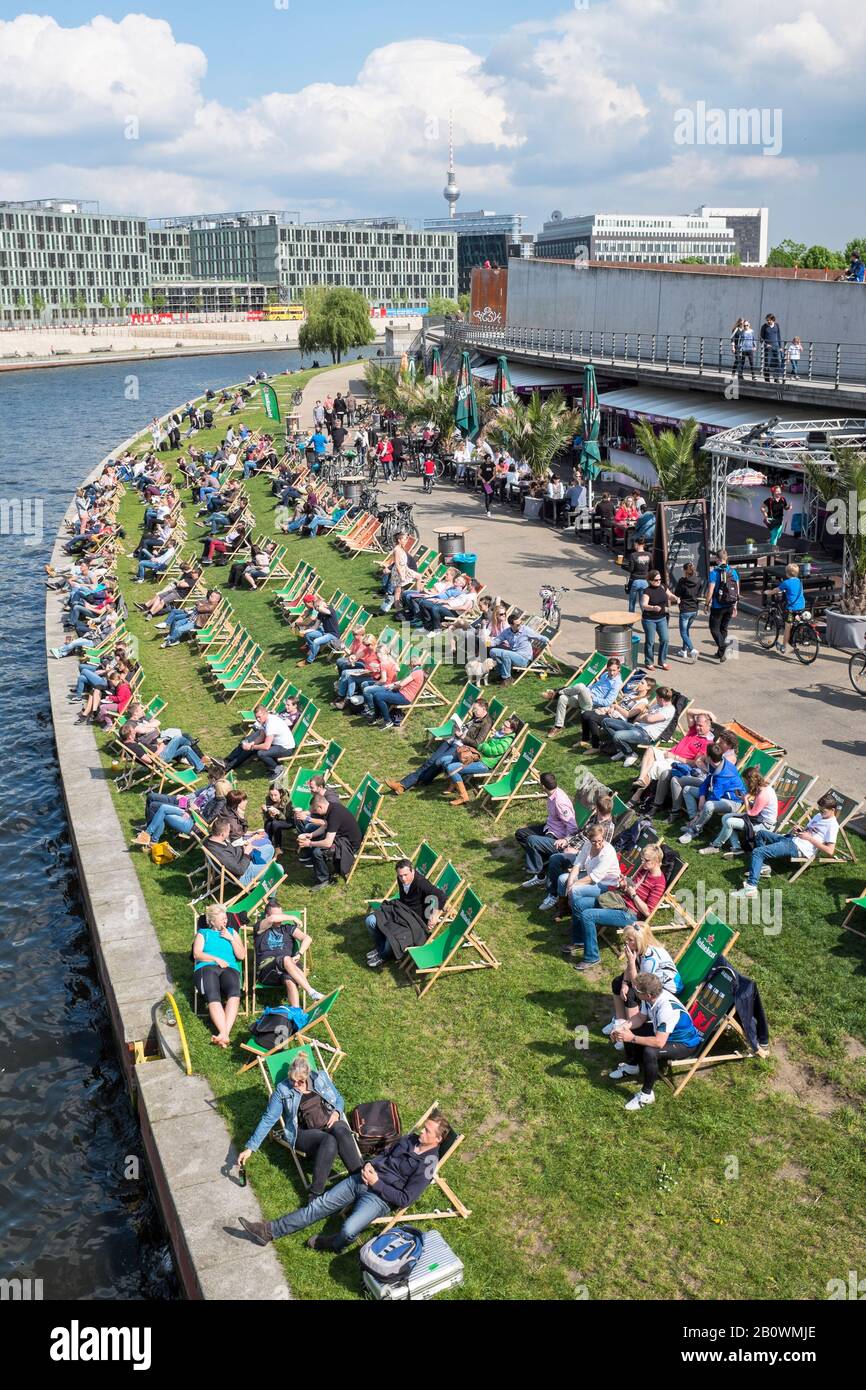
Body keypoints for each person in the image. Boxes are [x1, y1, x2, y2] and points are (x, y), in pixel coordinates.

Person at [237, 1112, 450, 1251]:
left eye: (427, 1131)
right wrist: (370, 1164)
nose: (422, 1131)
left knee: (348, 1231)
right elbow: (385, 1153)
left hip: (380, 1198)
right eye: (424, 1127)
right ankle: (268, 1231)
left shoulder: (428, 1165)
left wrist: (377, 1184)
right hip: (362, 1178)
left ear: (438, 1140)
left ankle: (332, 1244)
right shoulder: (410, 1139)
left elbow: (405, 1199)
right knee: (317, 1206)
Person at [239, 1052, 359, 1198]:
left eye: (300, 1081)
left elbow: (339, 1099)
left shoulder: (320, 1077)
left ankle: (360, 1179)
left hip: (327, 1122)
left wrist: (337, 1113)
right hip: (303, 1133)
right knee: (329, 1140)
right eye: (292, 1080)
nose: (295, 1085)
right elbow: (269, 1118)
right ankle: (315, 1195)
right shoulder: (282, 1090)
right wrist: (250, 1148)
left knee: (341, 1129)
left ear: (308, 1075)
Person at [609, 972, 703, 1110]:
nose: (634, 991)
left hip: (684, 1044)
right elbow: (640, 1018)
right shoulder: (651, 998)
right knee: (629, 1031)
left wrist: (632, 1038)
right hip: (664, 1034)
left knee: (650, 1051)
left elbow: (659, 1042)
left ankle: (646, 1094)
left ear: (647, 995)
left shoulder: (666, 1009)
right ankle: (631, 1066)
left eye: (636, 990)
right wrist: (622, 1027)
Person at [566, 843, 667, 970]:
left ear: (656, 861)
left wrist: (634, 894)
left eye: (646, 860)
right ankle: (580, 940)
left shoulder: (659, 883)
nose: (642, 862)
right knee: (579, 904)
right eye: (642, 859)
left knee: (588, 915)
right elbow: (630, 887)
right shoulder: (644, 870)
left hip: (630, 914)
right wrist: (624, 884)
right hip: (619, 901)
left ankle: (592, 957)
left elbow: (647, 912)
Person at [731, 794, 840, 897]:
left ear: (833, 810)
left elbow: (830, 851)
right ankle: (763, 868)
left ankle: (750, 889)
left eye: (823, 811)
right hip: (793, 839)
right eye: (819, 810)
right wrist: (800, 830)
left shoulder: (833, 826)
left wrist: (809, 838)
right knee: (761, 834)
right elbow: (809, 831)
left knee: (757, 852)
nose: (820, 813)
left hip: (798, 848)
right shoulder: (818, 816)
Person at [385, 698, 492, 795]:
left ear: (483, 709)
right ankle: (405, 784)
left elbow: (478, 742)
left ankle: (406, 784)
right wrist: (456, 728)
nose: (473, 711)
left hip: (461, 747)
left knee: (437, 762)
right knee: (430, 761)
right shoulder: (476, 717)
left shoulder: (486, 723)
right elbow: (464, 728)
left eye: (476, 709)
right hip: (452, 740)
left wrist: (463, 737)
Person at [603, 925, 682, 1047]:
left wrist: (630, 962)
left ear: (639, 941)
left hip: (666, 990)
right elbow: (632, 970)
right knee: (617, 982)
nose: (626, 942)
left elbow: (639, 985)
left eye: (630, 940)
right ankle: (620, 1021)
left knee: (631, 994)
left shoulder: (651, 958)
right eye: (626, 939)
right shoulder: (640, 949)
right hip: (649, 982)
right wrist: (624, 983)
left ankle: (629, 1032)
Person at [538, 792, 616, 911]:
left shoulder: (608, 829)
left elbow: (599, 853)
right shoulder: (595, 818)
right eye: (600, 813)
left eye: (603, 814)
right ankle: (553, 895)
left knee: (564, 875)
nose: (601, 817)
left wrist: (576, 852)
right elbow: (580, 833)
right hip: (579, 851)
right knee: (555, 858)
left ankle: (565, 903)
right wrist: (566, 839)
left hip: (590, 865)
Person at [364, 858, 446, 968]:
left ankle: (383, 955)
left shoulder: (421, 883)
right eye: (400, 876)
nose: (403, 878)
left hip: (414, 920)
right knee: (370, 921)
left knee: (392, 938)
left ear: (412, 871)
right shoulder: (401, 878)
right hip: (399, 910)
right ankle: (380, 948)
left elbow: (441, 896)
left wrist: (435, 915)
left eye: (406, 875)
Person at [560, 825, 622, 968]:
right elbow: (578, 864)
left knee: (576, 892)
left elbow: (594, 878)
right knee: (564, 881)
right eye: (594, 841)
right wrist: (571, 881)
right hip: (593, 882)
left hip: (607, 886)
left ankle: (578, 932)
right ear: (589, 839)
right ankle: (579, 935)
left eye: (600, 840)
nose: (598, 844)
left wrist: (574, 886)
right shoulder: (588, 844)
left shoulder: (608, 852)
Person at [628, 710, 714, 811]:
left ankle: (636, 797)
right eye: (697, 724)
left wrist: (675, 757)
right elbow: (689, 712)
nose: (697, 727)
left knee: (653, 766)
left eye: (700, 726)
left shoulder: (707, 743)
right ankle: (641, 779)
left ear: (708, 726)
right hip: (668, 755)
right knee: (650, 750)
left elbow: (695, 763)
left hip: (677, 762)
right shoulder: (693, 731)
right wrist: (709, 712)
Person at [192, 905, 245, 1047]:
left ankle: (223, 1034)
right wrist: (216, 959)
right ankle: (225, 1034)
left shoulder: (232, 933)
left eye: (226, 918)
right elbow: (197, 954)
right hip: (206, 967)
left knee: (235, 994)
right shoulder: (203, 933)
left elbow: (241, 955)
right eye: (222, 919)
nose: (225, 921)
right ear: (212, 921)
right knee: (213, 995)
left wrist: (231, 939)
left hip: (229, 968)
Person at [442, 715, 524, 805]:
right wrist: (483, 746)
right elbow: (486, 746)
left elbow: (491, 751)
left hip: (485, 763)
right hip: (479, 756)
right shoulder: (500, 734)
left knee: (452, 768)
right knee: (445, 760)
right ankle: (453, 784)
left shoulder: (506, 741)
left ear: (512, 730)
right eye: (503, 724)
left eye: (505, 726)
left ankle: (463, 797)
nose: (502, 727)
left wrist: (481, 745)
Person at [253, 901, 323, 1004]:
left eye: (281, 914)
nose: (280, 918)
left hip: (288, 967)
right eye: (277, 915)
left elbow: (307, 938)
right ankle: (311, 992)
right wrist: (293, 917)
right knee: (285, 958)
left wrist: (299, 954)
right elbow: (272, 919)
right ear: (267, 916)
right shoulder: (260, 928)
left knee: (290, 980)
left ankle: (295, 1014)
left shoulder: (287, 928)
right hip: (267, 971)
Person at [698, 766, 778, 855]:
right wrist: (744, 798)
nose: (745, 784)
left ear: (750, 781)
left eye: (745, 782)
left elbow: (752, 813)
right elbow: (758, 808)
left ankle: (715, 846)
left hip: (764, 825)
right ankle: (737, 847)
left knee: (729, 822)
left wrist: (746, 799)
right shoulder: (764, 787)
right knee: (726, 817)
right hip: (758, 818)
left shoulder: (763, 794)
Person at [677, 743, 747, 844]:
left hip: (733, 801)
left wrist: (700, 811)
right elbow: (707, 781)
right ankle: (693, 822)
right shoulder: (716, 763)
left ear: (709, 757)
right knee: (688, 790)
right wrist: (701, 796)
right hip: (717, 794)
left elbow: (714, 798)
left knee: (709, 805)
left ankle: (694, 830)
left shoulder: (724, 774)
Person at [516, 773, 578, 886]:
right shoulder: (552, 794)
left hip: (557, 835)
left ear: (543, 786)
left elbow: (572, 826)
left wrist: (566, 840)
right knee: (521, 834)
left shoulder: (560, 802)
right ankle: (540, 862)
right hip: (549, 827)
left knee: (532, 840)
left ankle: (539, 874)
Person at [544, 657, 623, 739]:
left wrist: (593, 697)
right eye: (610, 670)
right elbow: (594, 686)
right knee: (563, 698)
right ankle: (558, 726)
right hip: (584, 698)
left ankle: (557, 692)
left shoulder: (616, 684)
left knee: (581, 686)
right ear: (607, 668)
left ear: (619, 669)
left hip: (592, 704)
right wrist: (587, 690)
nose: (612, 673)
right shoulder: (605, 675)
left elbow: (607, 702)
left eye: (614, 670)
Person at [297, 792, 363, 888]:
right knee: (317, 841)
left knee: (317, 852)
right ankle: (321, 871)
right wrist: (311, 835)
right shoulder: (332, 807)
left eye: (315, 810)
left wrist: (309, 843)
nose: (314, 813)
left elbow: (327, 843)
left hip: (349, 845)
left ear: (320, 806)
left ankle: (324, 880)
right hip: (341, 838)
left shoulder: (334, 815)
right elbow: (325, 826)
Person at [217, 705, 296, 780]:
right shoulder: (264, 720)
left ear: (265, 713)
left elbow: (266, 746)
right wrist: (252, 744)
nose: (257, 719)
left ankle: (277, 769)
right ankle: (226, 765)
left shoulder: (271, 724)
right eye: (256, 717)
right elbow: (261, 736)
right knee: (251, 746)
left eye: (259, 717)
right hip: (277, 744)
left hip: (286, 748)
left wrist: (251, 747)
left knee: (261, 753)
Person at [601, 686, 676, 765]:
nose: (656, 698)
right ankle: (623, 749)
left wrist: (646, 716)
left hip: (645, 734)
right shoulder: (657, 706)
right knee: (606, 722)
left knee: (617, 736)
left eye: (657, 697)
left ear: (661, 699)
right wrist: (646, 716)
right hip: (636, 727)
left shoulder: (669, 710)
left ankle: (630, 754)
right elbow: (641, 718)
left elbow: (649, 719)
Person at [204, 817, 275, 888]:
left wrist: (242, 848)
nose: (229, 833)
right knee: (275, 869)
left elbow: (232, 851)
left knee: (269, 848)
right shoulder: (220, 853)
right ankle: (270, 896)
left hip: (242, 860)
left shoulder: (212, 840)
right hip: (243, 874)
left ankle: (262, 871)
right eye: (229, 831)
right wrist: (246, 854)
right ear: (222, 834)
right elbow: (240, 870)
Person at [362, 656, 427, 729]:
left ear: (412, 664)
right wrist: (390, 685)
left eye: (409, 665)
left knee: (378, 696)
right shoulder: (417, 671)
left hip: (405, 697)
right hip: (401, 693)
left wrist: (391, 688)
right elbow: (402, 681)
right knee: (376, 695)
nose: (409, 666)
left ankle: (387, 721)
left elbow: (401, 684)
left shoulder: (416, 673)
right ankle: (377, 716)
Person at [489, 614, 547, 683]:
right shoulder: (507, 632)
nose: (520, 626)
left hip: (524, 658)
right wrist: (486, 643)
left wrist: (547, 640)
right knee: (493, 651)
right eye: (517, 625)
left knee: (505, 654)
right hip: (513, 654)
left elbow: (537, 636)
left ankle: (507, 678)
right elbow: (496, 641)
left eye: (520, 623)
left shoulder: (525, 629)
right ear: (511, 625)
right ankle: (501, 673)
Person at [705, 551, 739, 661]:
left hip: (718, 605)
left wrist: (706, 604)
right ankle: (721, 654)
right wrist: (735, 606)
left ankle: (723, 647)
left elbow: (710, 591)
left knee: (714, 629)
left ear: (717, 559)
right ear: (726, 558)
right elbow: (737, 590)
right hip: (730, 604)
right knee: (723, 628)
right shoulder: (733, 571)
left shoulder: (714, 572)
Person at [640, 570, 677, 669]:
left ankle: (662, 661)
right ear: (650, 580)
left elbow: (670, 595)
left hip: (662, 618)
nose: (659, 581)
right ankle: (649, 662)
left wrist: (676, 598)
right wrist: (653, 608)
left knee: (665, 639)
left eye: (660, 579)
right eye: (656, 580)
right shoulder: (647, 591)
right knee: (650, 641)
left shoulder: (663, 587)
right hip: (649, 620)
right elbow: (644, 605)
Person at [772, 562, 806, 653]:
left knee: (788, 626)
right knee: (798, 621)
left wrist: (768, 592)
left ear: (787, 573)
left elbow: (776, 590)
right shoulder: (799, 581)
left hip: (792, 609)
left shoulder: (786, 583)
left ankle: (783, 647)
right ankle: (799, 635)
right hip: (801, 606)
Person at [673, 561, 702, 661]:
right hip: (694, 609)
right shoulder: (698, 580)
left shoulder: (682, 581)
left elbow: (677, 593)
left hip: (685, 609)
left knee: (683, 633)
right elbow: (699, 593)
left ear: (685, 570)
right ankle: (683, 651)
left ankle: (692, 650)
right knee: (686, 631)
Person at [299, 598, 342, 665]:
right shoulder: (320, 614)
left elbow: (322, 609)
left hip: (333, 635)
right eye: (316, 608)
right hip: (325, 632)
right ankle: (314, 650)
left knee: (316, 641)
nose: (316, 609)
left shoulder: (331, 610)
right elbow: (315, 627)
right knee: (307, 635)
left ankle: (309, 660)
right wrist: (305, 631)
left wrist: (320, 605)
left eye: (317, 607)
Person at [625, 538, 651, 613]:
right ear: (644, 545)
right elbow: (651, 567)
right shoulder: (649, 555)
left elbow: (631, 569)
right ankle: (646, 618)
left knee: (632, 602)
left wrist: (624, 566)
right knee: (643, 603)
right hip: (645, 581)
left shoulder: (633, 555)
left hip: (635, 581)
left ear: (636, 544)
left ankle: (630, 623)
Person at [761, 484, 790, 549]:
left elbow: (785, 507)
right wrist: (765, 515)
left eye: (780, 491)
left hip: (780, 520)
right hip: (771, 520)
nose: (779, 492)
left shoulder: (783, 499)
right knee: (774, 535)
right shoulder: (769, 500)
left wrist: (789, 507)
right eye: (777, 491)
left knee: (778, 535)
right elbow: (762, 507)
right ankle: (773, 550)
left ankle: (770, 541)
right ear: (773, 492)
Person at [760, 314, 783, 382]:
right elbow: (761, 338)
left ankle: (776, 378)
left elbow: (779, 336)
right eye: (767, 320)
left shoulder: (777, 325)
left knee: (778, 362)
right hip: (768, 348)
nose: (768, 321)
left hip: (776, 347)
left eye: (769, 320)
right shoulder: (764, 327)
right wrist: (766, 344)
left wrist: (780, 347)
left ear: (773, 319)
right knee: (767, 363)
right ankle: (767, 378)